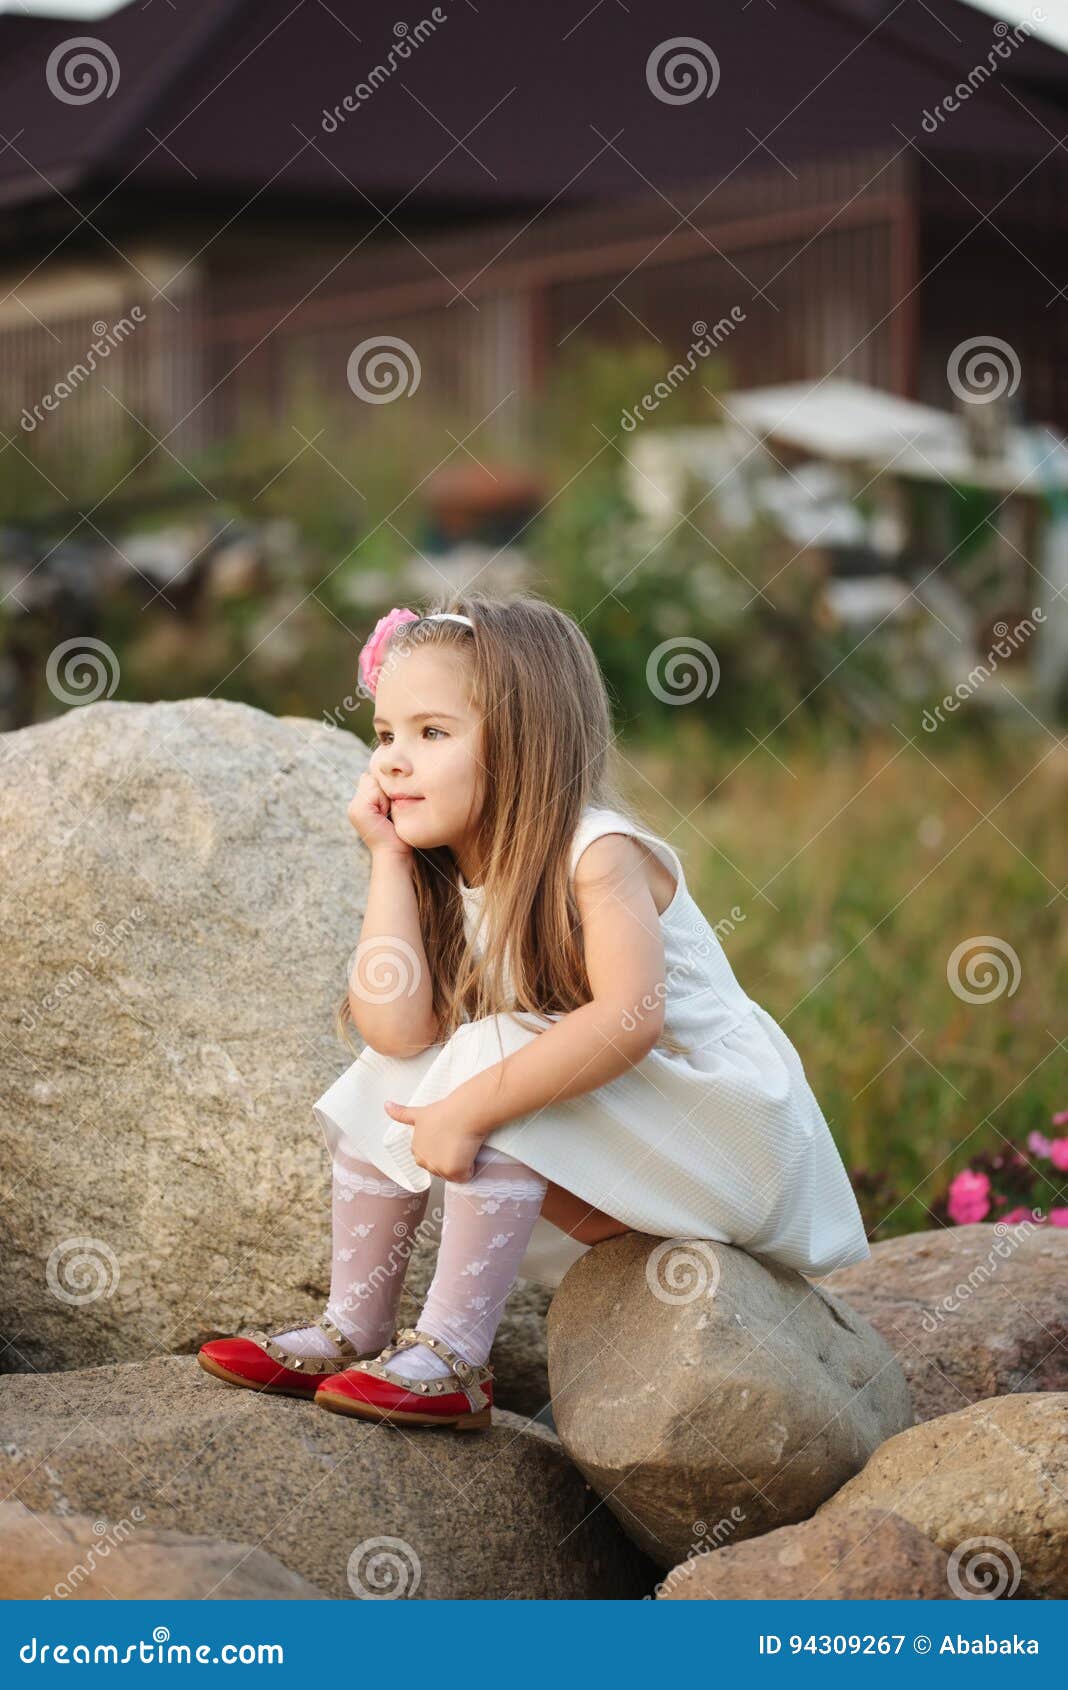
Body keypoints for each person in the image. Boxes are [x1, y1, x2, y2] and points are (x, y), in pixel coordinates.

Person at [199, 594, 870, 1431]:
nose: (394, 762)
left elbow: (632, 1020)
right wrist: (386, 861)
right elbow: (396, 1032)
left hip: (724, 1139)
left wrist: (474, 1106)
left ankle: (453, 1355)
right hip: (623, 1156)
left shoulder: (597, 851)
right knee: (393, 1072)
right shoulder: (450, 869)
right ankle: (355, 1325)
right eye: (385, 735)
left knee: (494, 1046)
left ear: (525, 742)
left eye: (432, 734)